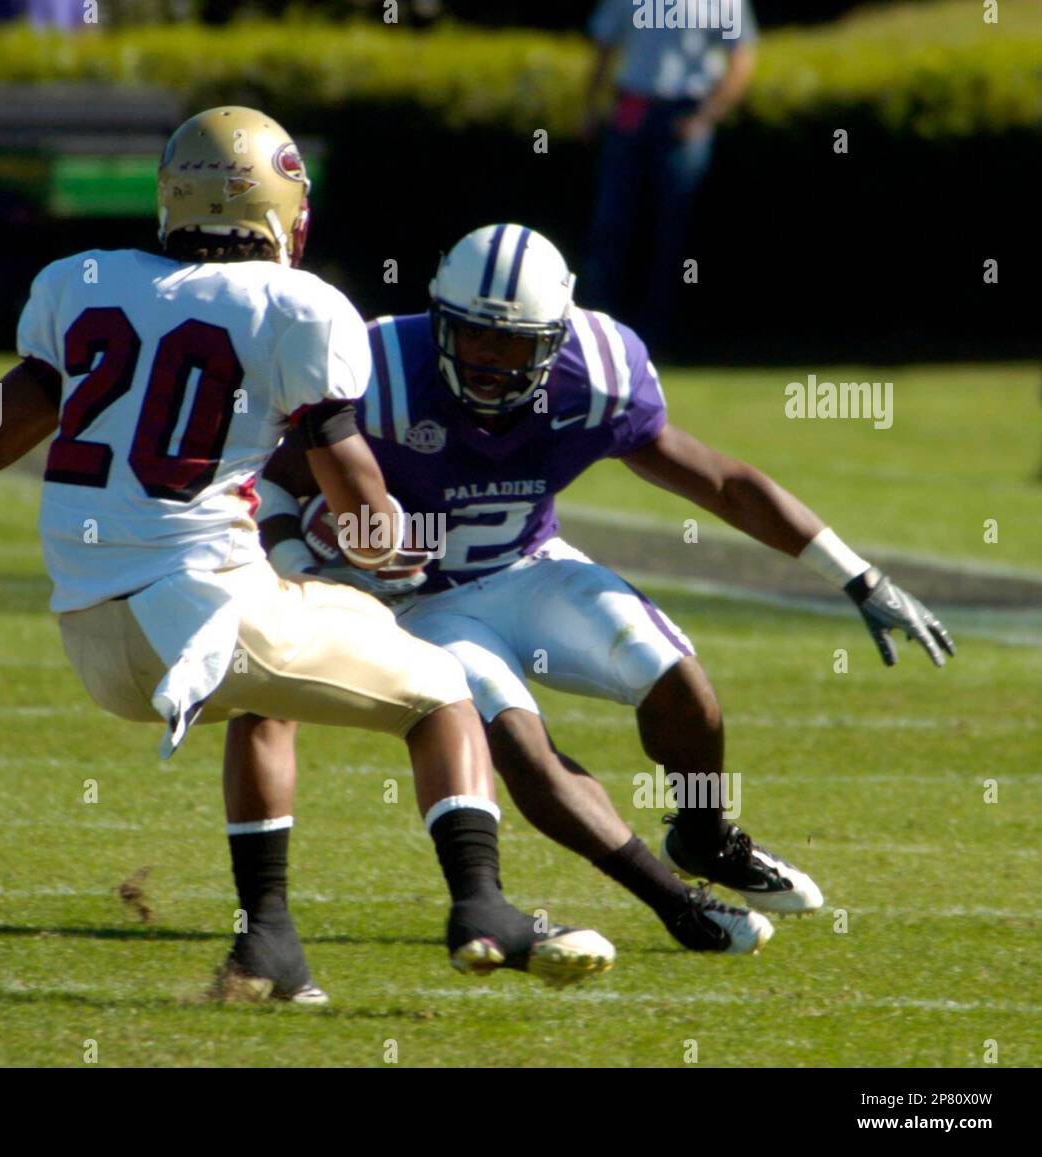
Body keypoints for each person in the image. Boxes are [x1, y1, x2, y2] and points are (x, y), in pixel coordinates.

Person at [0, 114, 615, 1004]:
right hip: (204, 614)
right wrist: (396, 550)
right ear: (284, 205)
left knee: (268, 700)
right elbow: (363, 512)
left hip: (95, 637)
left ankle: (268, 948)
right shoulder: (299, 306)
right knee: (442, 692)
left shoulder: (81, 285)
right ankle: (486, 908)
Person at [257, 223, 956, 954]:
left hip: (530, 566)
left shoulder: (597, 372)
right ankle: (676, 903)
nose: (491, 361)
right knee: (523, 744)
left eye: (514, 342)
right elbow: (275, 481)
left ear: (555, 338)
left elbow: (724, 484)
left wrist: (857, 574)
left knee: (684, 689)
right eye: (473, 337)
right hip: (421, 602)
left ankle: (705, 837)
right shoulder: (380, 370)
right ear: (439, 321)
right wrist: (300, 569)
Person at [581, 0, 758, 350]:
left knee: (674, 231)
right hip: (633, 107)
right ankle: (595, 334)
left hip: (685, 111)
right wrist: (590, 106)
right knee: (611, 226)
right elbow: (604, 46)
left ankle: (660, 337)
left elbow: (742, 56)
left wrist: (707, 116)